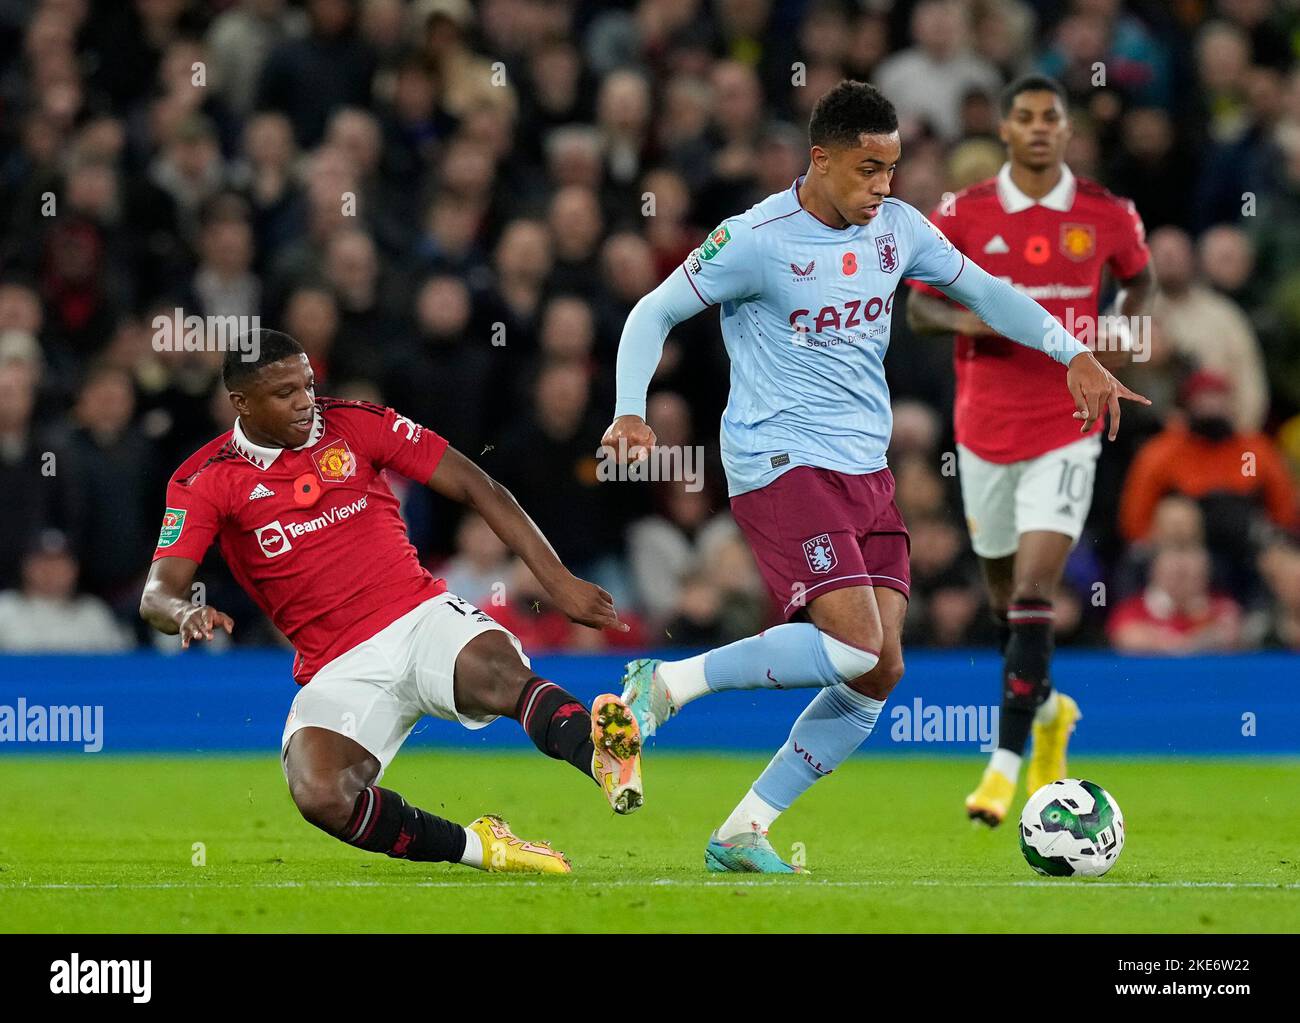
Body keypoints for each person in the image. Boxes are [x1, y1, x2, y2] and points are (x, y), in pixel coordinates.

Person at [602, 80, 1146, 873]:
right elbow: (652, 311)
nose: (883, 186)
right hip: (778, 461)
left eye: (891, 168)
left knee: (880, 668)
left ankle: (744, 829)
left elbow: (986, 291)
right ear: (819, 160)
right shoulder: (755, 238)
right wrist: (628, 409)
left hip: (865, 470)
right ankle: (666, 685)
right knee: (854, 645)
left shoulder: (898, 228)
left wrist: (1075, 352)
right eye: (867, 169)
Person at [140, 330, 643, 875]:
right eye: (285, 393)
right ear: (240, 403)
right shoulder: (205, 479)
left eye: (308, 385)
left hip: (421, 616)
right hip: (338, 665)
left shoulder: (356, 422)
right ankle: (483, 848)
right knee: (321, 794)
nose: (305, 401)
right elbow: (156, 593)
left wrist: (558, 582)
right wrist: (184, 611)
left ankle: (601, 757)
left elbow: (478, 486)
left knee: (497, 673)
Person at [905, 74, 1156, 826]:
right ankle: (1048, 715)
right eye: (1025, 117)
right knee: (1004, 602)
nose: (1040, 128)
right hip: (984, 428)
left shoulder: (1107, 214)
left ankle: (1001, 770)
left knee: (1034, 594)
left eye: (1052, 117)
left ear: (1067, 131)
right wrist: (971, 324)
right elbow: (919, 305)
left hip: (1070, 421)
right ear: (1006, 131)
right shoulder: (964, 211)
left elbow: (1140, 287)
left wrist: (1116, 333)